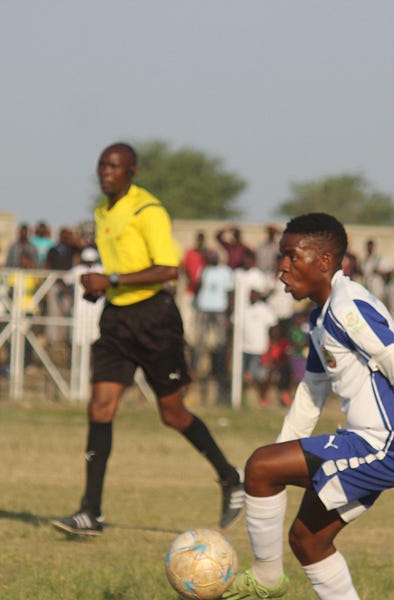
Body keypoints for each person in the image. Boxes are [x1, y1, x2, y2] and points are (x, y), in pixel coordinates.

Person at [223, 213, 394, 599]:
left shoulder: (348, 306)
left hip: (386, 444)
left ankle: (266, 580)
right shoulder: (321, 316)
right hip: (372, 442)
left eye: (292, 256)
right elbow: (312, 391)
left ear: (324, 261)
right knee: (308, 541)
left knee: (260, 468)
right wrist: (279, 452)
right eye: (282, 258)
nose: (282, 269)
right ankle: (272, 577)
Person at [51, 143, 243, 537]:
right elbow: (120, 266)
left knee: (172, 414)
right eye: (102, 164)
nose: (106, 171)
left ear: (131, 171)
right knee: (100, 406)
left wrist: (113, 280)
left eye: (114, 166)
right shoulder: (103, 211)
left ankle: (229, 477)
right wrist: (101, 288)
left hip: (155, 320)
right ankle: (91, 513)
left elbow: (167, 270)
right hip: (117, 319)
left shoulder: (148, 210)